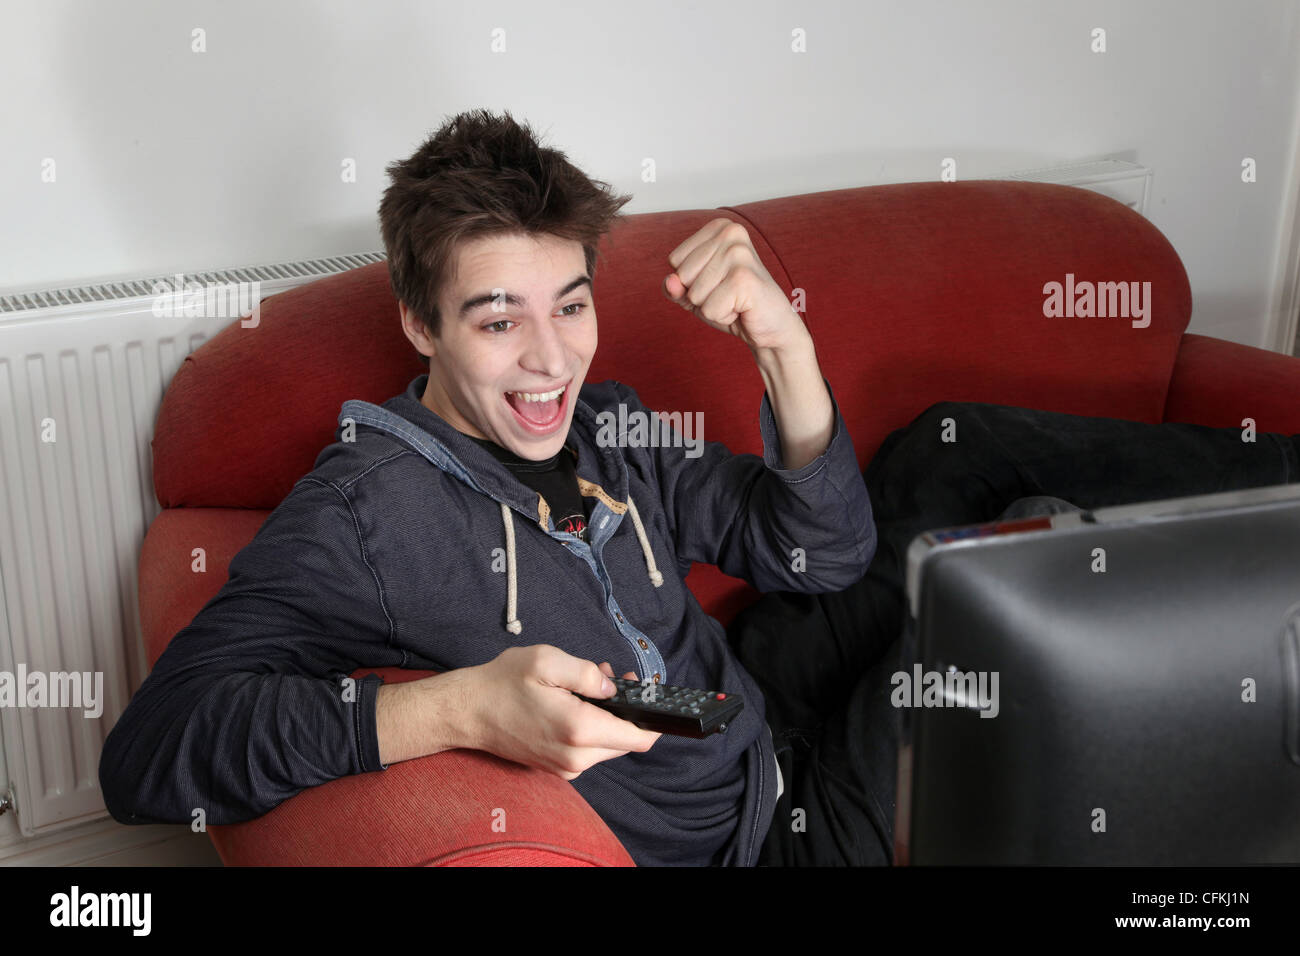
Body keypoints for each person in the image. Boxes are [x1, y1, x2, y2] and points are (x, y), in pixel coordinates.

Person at [99, 108, 1300, 867]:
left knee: (949, 444)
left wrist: (785, 349)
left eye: (570, 303)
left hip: (757, 697)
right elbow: (149, 755)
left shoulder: (609, 419)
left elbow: (821, 557)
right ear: (419, 321)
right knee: (984, 603)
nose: (551, 358)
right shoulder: (364, 515)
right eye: (496, 319)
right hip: (769, 832)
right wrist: (453, 711)